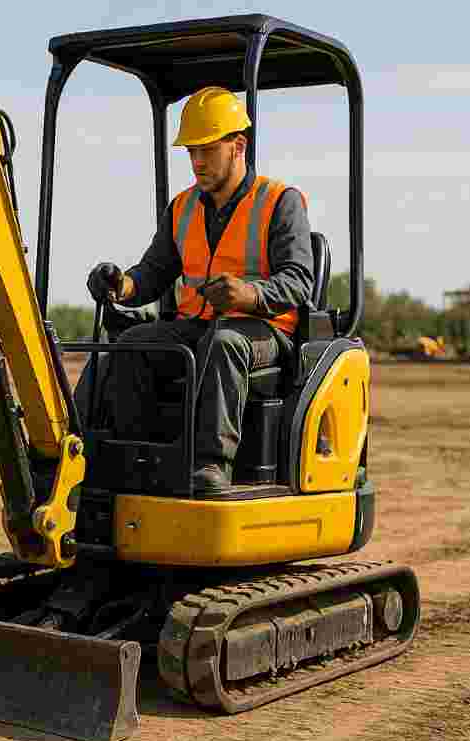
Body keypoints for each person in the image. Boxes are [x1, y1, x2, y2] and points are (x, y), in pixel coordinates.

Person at [77, 86, 314, 494]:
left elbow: (300, 279)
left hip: (265, 331)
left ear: (238, 146)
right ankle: (139, 459)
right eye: (191, 151)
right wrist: (120, 285)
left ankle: (208, 468)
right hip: (198, 325)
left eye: (207, 149)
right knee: (134, 342)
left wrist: (248, 295)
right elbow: (152, 273)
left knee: (225, 343)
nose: (197, 161)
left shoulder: (280, 201)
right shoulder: (182, 207)